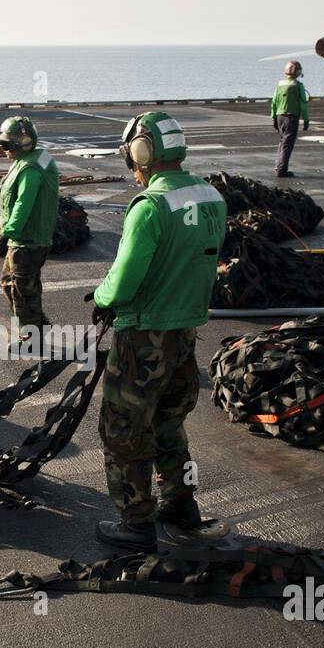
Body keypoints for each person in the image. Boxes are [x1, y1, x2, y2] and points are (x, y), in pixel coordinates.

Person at [89, 113, 228, 552]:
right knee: (169, 424)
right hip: (185, 333)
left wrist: (102, 297)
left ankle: (136, 522)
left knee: (124, 430)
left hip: (143, 338)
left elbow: (126, 277)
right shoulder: (211, 196)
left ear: (142, 151)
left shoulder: (150, 206)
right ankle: (181, 504)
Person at [0, 116, 60, 340]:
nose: (3, 150)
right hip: (27, 238)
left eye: (6, 145)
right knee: (12, 282)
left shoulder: (31, 168)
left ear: (21, 143)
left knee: (21, 289)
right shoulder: (31, 159)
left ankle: (32, 338)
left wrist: (7, 233)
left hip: (27, 239)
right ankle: (39, 325)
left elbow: (24, 203)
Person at [271, 60, 311, 178]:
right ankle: (282, 171)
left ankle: (278, 166)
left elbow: (274, 102)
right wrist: (306, 120)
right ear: (298, 72)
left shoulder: (279, 84)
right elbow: (303, 104)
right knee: (287, 144)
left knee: (282, 142)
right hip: (291, 117)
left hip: (279, 117)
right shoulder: (298, 86)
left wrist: (273, 117)